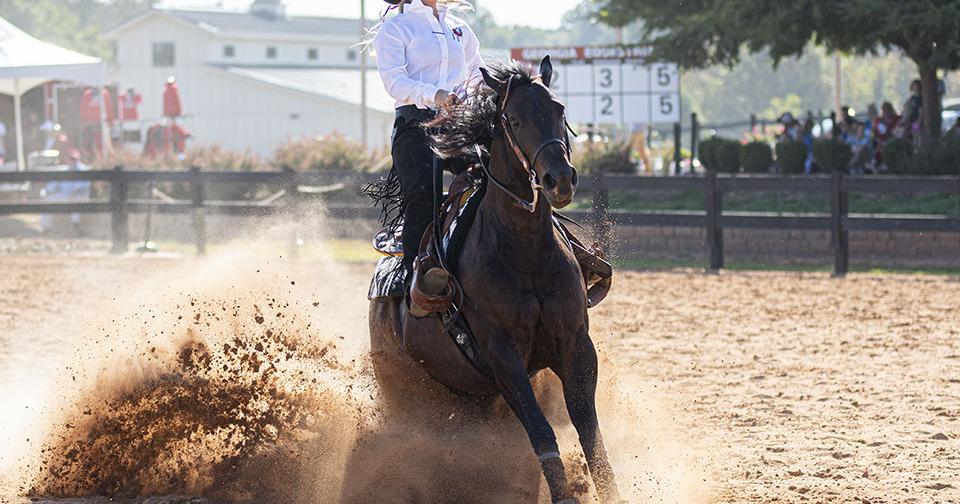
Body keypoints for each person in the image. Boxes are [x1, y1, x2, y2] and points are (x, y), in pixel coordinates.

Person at [372, 0, 483, 315]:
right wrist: (435, 95)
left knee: (498, 175)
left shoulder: (460, 28)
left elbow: (476, 75)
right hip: (415, 124)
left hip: (459, 124)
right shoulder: (395, 28)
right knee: (424, 196)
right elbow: (395, 82)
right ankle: (415, 276)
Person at [40, 148, 91, 236]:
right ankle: (46, 227)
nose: (73, 161)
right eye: (71, 159)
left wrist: (74, 193)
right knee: (47, 200)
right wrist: (45, 191)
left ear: (79, 159)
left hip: (80, 196)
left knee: (76, 201)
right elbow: (53, 184)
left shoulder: (84, 170)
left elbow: (85, 186)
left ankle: (76, 227)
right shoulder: (64, 170)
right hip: (65, 195)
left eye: (75, 159)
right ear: (68, 159)